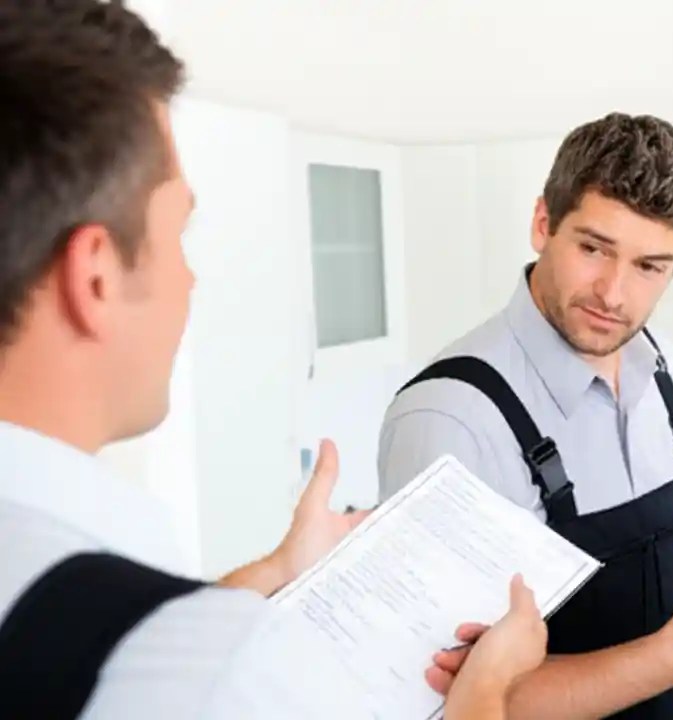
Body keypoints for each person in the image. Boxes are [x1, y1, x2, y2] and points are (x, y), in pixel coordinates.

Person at [0, 2, 540, 718]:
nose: (190, 279)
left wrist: (283, 569)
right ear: (95, 277)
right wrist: (487, 689)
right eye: (176, 234)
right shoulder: (221, 670)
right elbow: (163, 664)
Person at [379, 112, 673, 719]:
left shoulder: (666, 374)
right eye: (593, 248)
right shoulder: (450, 419)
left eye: (648, 266)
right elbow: (446, 702)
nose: (613, 293)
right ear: (542, 223)